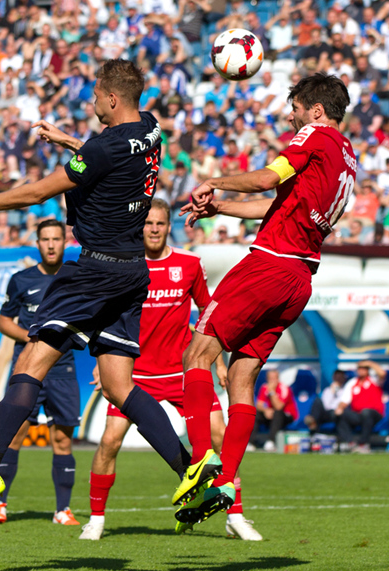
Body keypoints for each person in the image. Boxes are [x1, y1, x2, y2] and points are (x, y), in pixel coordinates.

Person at [0, 59, 193, 518]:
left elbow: (38, 193)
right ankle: (191, 472)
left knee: (32, 359)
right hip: (133, 272)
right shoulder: (152, 130)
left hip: (95, 270)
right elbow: (111, 159)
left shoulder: (102, 147)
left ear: (112, 99)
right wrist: (73, 143)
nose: (91, 101)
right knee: (118, 385)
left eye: (96, 95)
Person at [173, 73, 354, 526]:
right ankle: (227, 479)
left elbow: (265, 179)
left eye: (294, 108)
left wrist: (215, 181)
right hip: (299, 279)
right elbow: (277, 203)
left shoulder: (313, 136)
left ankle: (200, 462)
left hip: (268, 265)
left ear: (315, 110)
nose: (290, 117)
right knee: (241, 376)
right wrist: (221, 208)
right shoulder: (348, 157)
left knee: (197, 353)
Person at [80, 199, 261, 542]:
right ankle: (96, 519)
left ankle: (235, 516)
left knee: (221, 438)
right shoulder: (125, 266)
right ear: (139, 226)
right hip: (134, 375)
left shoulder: (189, 265)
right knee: (108, 442)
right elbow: (104, 316)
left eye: (160, 224)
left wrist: (218, 360)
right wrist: (102, 364)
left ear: (168, 227)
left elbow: (209, 312)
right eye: (148, 223)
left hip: (182, 372)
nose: (153, 229)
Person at [0, 219, 82, 527]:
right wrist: (33, 338)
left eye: (57, 239)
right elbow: (4, 322)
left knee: (63, 441)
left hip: (63, 370)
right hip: (28, 367)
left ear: (64, 242)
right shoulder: (21, 279)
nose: (52, 244)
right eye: (46, 240)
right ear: (38, 244)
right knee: (14, 437)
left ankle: (62, 510)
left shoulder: (76, 278)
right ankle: (0, 504)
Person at [338, 360, 386, 454]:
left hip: (374, 414)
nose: (361, 370)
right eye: (359, 368)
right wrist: (339, 408)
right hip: (358, 415)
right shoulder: (352, 383)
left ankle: (363, 444)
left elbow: (382, 373)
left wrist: (370, 363)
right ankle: (349, 443)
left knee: (366, 412)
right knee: (341, 414)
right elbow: (344, 400)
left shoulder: (374, 380)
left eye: (364, 368)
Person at [251, 369, 299, 452]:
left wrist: (272, 392)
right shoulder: (264, 387)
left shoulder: (284, 388)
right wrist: (265, 410)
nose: (272, 381)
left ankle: (271, 441)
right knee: (256, 413)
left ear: (278, 378)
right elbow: (259, 404)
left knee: (277, 413)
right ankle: (251, 442)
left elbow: (279, 407)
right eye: (270, 378)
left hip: (286, 416)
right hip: (270, 414)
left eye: (274, 378)